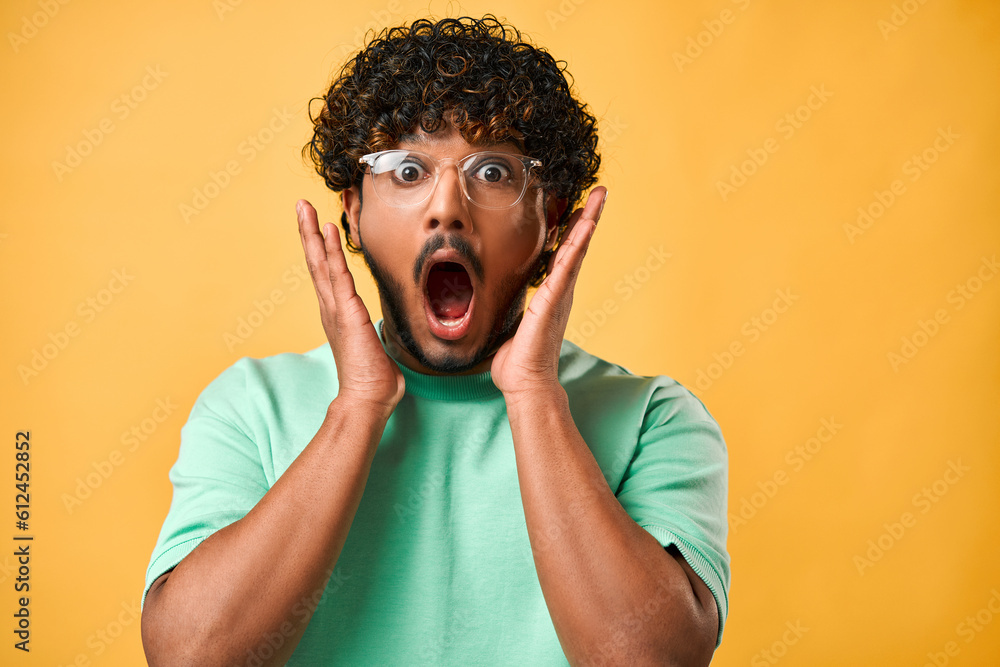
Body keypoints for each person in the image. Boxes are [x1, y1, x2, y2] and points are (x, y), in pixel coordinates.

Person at [141, 15, 730, 666]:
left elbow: (649, 659)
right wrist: (358, 406)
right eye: (406, 170)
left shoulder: (654, 418)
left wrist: (533, 394)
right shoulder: (249, 406)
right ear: (352, 212)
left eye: (494, 173)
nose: (447, 205)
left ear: (551, 220)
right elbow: (190, 656)